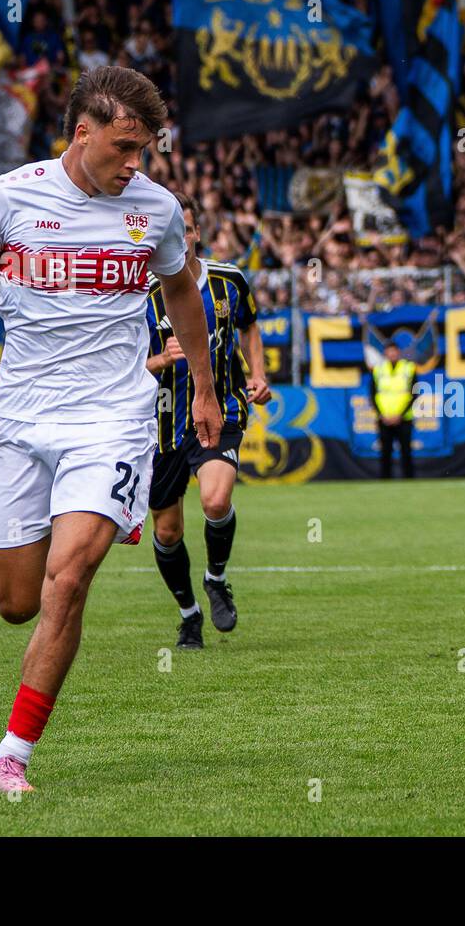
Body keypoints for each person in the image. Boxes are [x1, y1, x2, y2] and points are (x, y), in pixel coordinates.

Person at [0, 66, 220, 794]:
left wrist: (205, 389)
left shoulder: (155, 210)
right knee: (16, 602)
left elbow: (183, 292)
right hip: (22, 416)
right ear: (81, 132)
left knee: (69, 579)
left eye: (145, 150)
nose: (135, 164)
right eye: (124, 147)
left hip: (114, 417)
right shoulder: (5, 200)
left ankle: (13, 754)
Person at [145, 192, 272, 650]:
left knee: (216, 501)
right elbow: (121, 362)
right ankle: (188, 614)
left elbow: (249, 325)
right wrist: (160, 358)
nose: (180, 237)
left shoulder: (229, 280)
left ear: (196, 234)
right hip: (160, 425)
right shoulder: (141, 293)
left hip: (222, 408)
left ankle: (216, 579)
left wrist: (257, 374)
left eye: (187, 229)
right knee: (167, 531)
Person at [371, 341, 416, 479]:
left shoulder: (409, 368)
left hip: (404, 418)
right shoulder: (378, 370)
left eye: (394, 351)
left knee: (406, 451)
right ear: (385, 353)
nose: (392, 354)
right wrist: (381, 414)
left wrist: (400, 415)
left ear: (399, 352)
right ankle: (385, 481)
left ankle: (409, 480)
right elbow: (372, 394)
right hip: (384, 418)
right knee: (385, 451)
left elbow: (415, 393)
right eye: (389, 351)